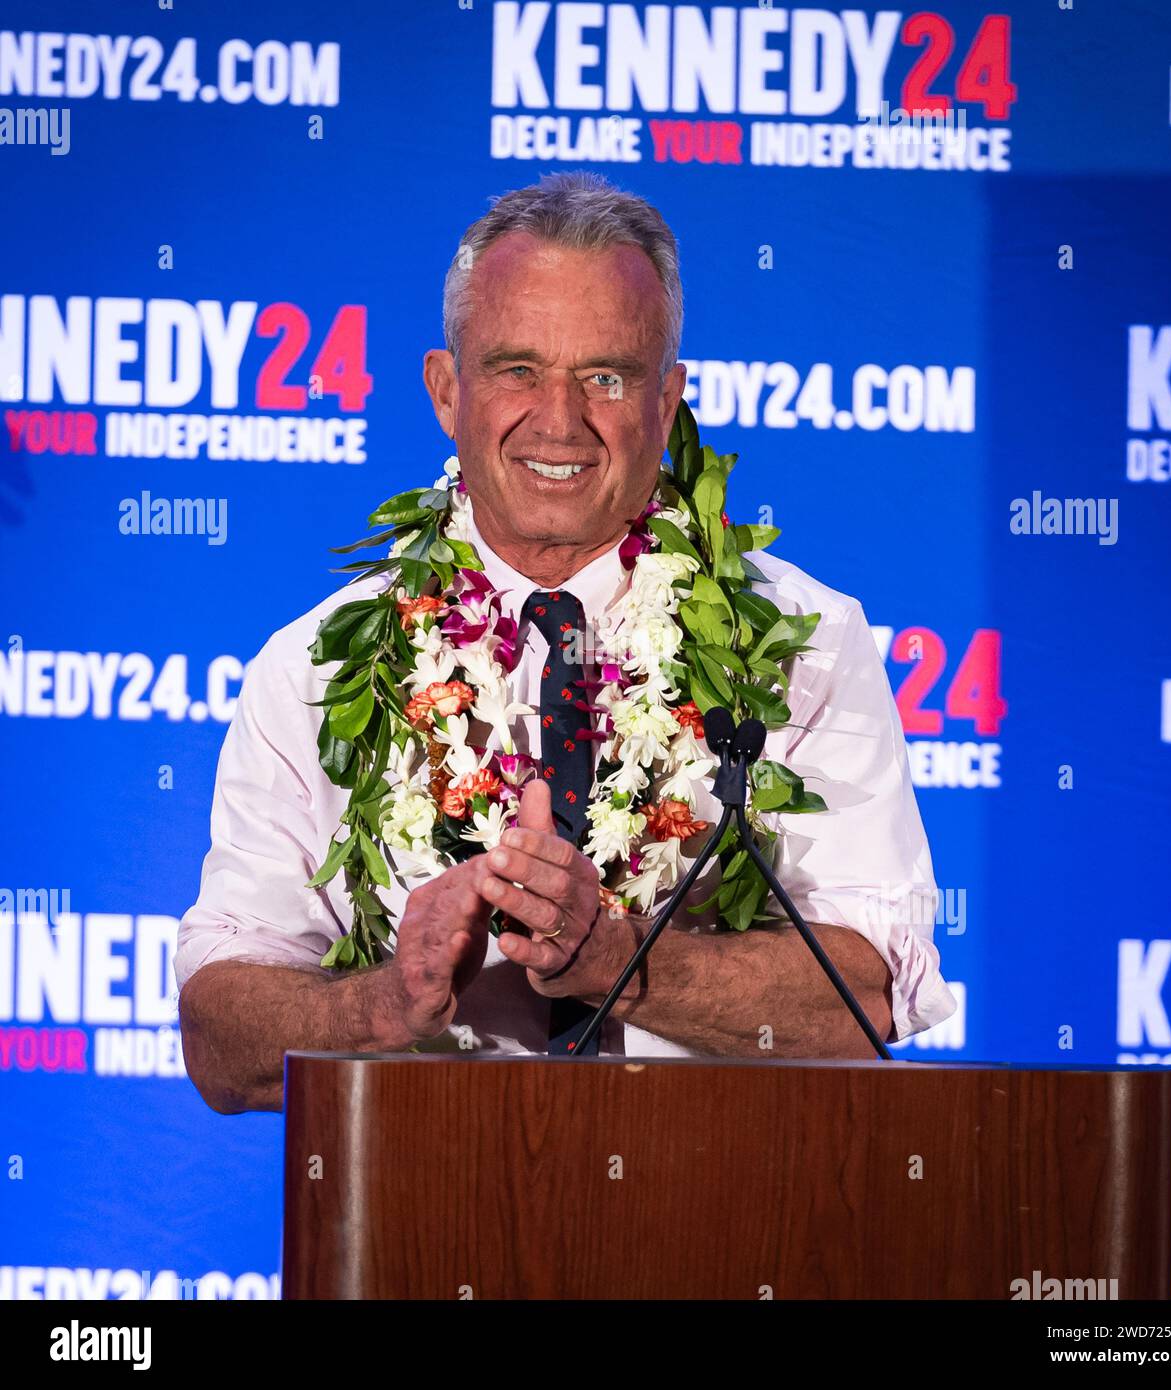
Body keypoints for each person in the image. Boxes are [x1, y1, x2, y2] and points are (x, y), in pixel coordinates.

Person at [176, 171, 956, 1113]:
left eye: (606, 377)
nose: (559, 419)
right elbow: (220, 1042)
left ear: (665, 403)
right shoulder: (316, 668)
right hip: (424, 1223)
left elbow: (866, 994)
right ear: (444, 389)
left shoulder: (800, 646)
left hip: (730, 1219)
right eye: (516, 369)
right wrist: (386, 1002)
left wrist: (617, 960)